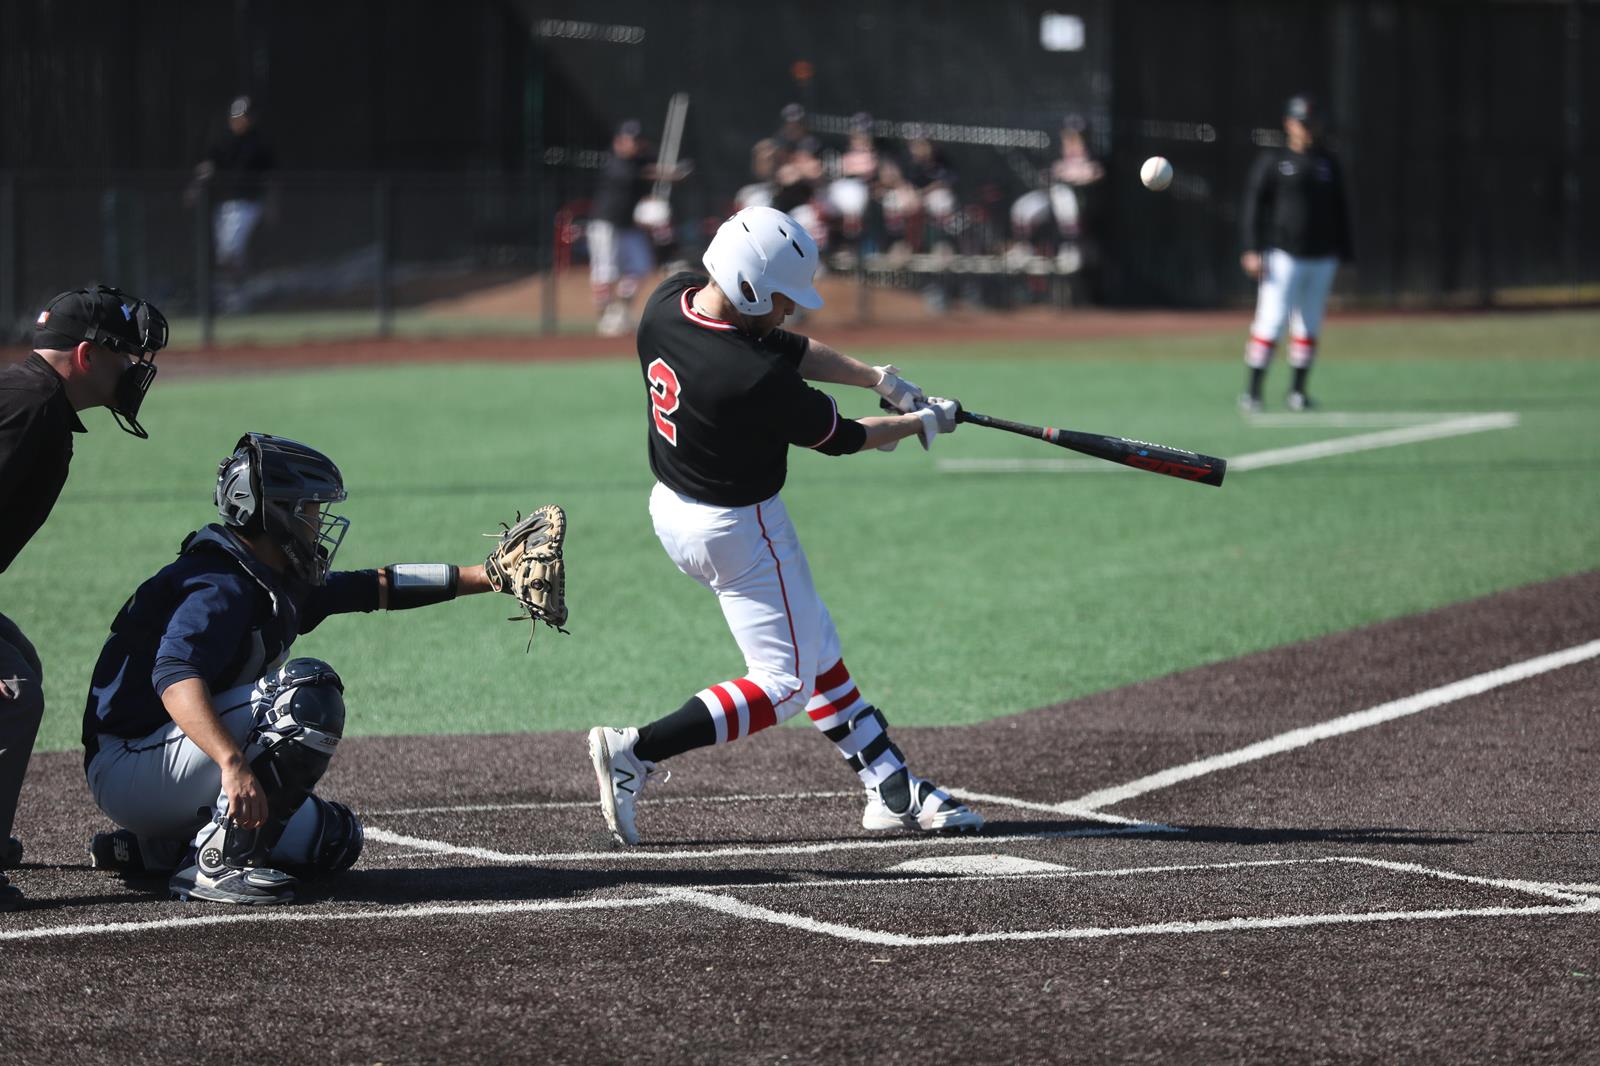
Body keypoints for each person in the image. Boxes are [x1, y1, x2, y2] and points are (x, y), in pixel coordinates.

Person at [587, 205, 982, 846]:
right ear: (747, 288)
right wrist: (921, 423)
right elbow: (849, 438)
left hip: (673, 508)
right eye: (779, 299)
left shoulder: (668, 301)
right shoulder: (749, 378)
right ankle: (636, 750)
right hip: (739, 530)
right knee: (787, 681)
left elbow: (782, 346)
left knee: (811, 639)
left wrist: (877, 378)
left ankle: (889, 782)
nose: (788, 312)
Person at [80, 432, 527, 905]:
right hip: (132, 761)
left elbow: (373, 587)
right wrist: (232, 765)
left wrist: (487, 577)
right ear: (273, 514)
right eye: (309, 509)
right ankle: (216, 865)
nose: (318, 521)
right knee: (305, 696)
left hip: (164, 763)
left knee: (334, 841)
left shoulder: (261, 573)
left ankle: (154, 848)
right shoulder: (220, 584)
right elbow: (173, 677)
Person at [0, 284, 167, 908]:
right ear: (86, 355)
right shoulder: (31, 410)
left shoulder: (32, 399)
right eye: (124, 357)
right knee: (13, 692)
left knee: (17, 656)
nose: (133, 371)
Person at [1238, 93, 1354, 413]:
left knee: (1309, 323)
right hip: (1283, 255)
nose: (1308, 129)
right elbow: (1253, 207)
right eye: (1303, 122)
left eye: (1312, 123)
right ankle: (1253, 391)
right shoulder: (1274, 162)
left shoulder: (1327, 163)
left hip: (1322, 256)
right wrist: (1251, 248)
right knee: (1272, 319)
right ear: (1289, 124)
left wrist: (1346, 254)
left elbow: (1341, 210)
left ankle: (1298, 392)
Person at [191, 96, 276, 304]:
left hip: (248, 204)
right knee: (226, 256)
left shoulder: (258, 144)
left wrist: (271, 204)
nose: (239, 120)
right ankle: (236, 296)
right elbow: (208, 166)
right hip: (223, 206)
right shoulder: (223, 141)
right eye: (236, 116)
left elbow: (270, 177)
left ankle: (238, 295)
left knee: (231, 252)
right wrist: (195, 186)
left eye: (243, 116)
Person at [589, 120, 661, 337]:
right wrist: (663, 174)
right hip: (605, 223)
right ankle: (605, 317)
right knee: (606, 271)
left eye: (637, 140)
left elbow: (650, 165)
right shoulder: (614, 163)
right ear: (618, 141)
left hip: (628, 225)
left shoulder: (640, 161)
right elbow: (637, 174)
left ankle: (620, 311)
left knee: (642, 266)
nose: (634, 144)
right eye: (630, 140)